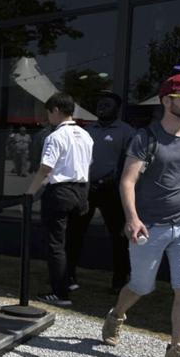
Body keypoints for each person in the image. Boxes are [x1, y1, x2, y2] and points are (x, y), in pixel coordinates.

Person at [102, 73, 180, 357]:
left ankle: (177, 349)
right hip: (150, 227)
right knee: (141, 285)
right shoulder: (145, 138)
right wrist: (132, 218)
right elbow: (128, 180)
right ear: (166, 100)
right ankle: (117, 315)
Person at [26, 93, 92, 306]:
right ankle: (69, 279)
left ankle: (60, 292)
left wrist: (30, 193)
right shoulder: (86, 135)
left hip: (60, 192)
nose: (48, 118)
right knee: (72, 241)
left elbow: (46, 169)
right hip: (81, 191)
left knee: (55, 243)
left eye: (48, 112)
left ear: (55, 110)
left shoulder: (55, 137)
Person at [68, 91, 135, 291]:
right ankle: (68, 274)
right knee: (74, 233)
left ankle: (120, 280)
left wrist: (113, 180)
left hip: (112, 191)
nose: (101, 107)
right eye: (100, 104)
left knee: (119, 237)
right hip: (86, 189)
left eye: (107, 104)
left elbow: (129, 163)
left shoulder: (127, 132)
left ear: (117, 109)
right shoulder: (87, 130)